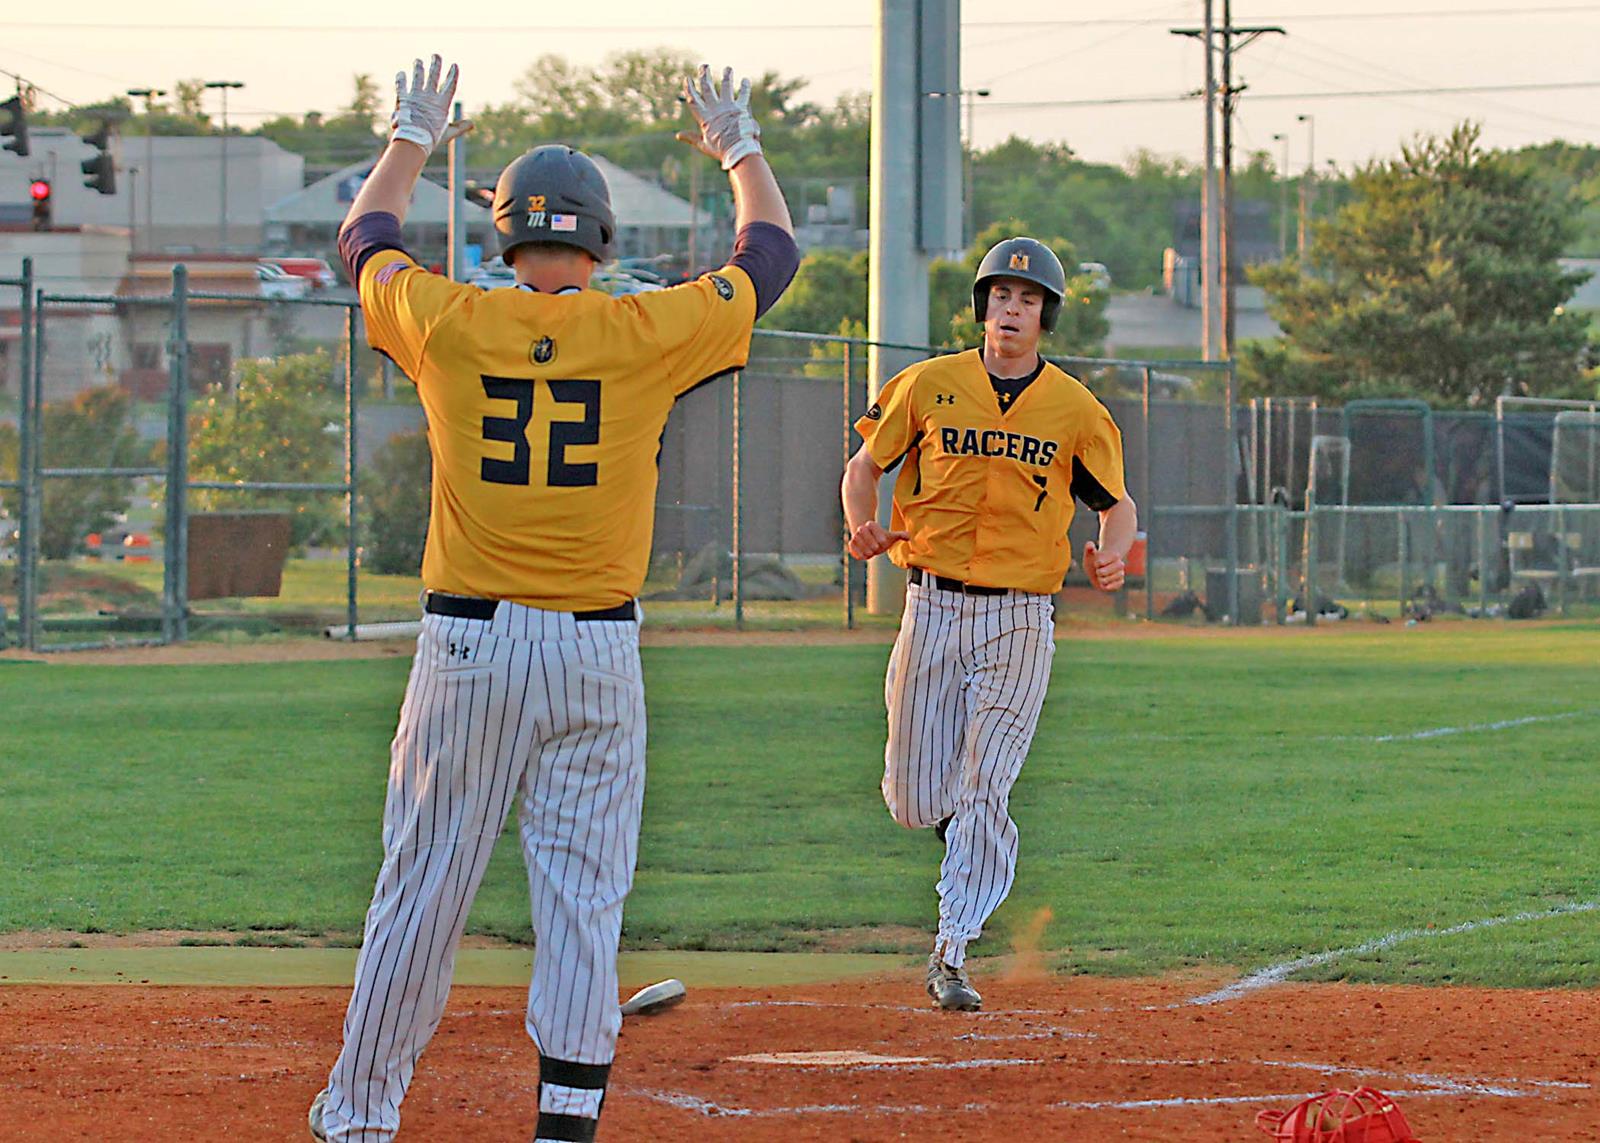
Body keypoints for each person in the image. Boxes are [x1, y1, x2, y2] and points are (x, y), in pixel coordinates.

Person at [310, 56, 797, 1142]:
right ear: (599, 239)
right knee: (581, 898)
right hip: (594, 656)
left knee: (424, 888)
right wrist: (737, 146)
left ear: (502, 237)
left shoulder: (449, 322)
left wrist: (412, 135)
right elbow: (769, 256)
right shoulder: (645, 333)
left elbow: (364, 241)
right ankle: (564, 1124)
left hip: (468, 653)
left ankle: (359, 1117)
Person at [840, 237, 1137, 1012]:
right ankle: (973, 841)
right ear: (983, 308)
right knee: (910, 799)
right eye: (1001, 295)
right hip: (931, 605)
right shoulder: (930, 384)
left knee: (983, 783)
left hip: (1019, 619)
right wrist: (861, 522)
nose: (1012, 309)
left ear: (1046, 316)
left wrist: (1113, 554)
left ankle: (951, 949)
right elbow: (864, 466)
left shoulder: (1075, 409)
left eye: (1028, 299)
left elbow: (1115, 505)